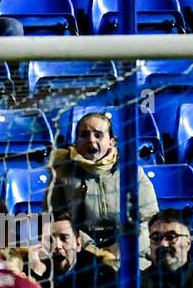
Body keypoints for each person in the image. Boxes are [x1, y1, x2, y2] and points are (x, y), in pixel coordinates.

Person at [48, 112, 159, 262]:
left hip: (130, 255)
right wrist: (92, 250)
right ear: (75, 142)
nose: (91, 140)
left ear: (111, 142)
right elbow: (56, 221)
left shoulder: (132, 172)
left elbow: (150, 219)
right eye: (84, 135)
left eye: (98, 135)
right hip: (81, 255)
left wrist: (121, 248)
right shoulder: (62, 175)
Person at [28, 211, 118, 288]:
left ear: (78, 243)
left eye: (64, 238)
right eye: (49, 240)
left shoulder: (103, 276)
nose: (57, 246)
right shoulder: (29, 277)